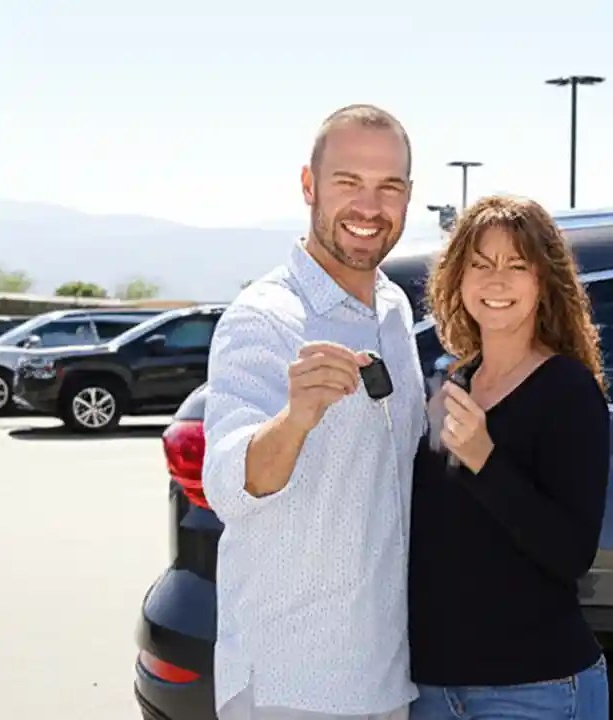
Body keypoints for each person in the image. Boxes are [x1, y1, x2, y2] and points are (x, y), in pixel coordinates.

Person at [202, 104, 425, 720]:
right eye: (348, 183)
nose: (369, 207)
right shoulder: (264, 317)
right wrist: (295, 419)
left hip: (385, 673)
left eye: (389, 187)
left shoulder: (394, 308)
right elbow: (228, 483)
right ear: (309, 186)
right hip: (293, 682)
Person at [407, 194, 612, 719]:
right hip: (432, 688)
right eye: (481, 265)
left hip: (533, 688)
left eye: (517, 266)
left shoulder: (568, 390)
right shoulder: (452, 385)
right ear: (458, 280)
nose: (496, 282)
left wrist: (486, 461)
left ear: (544, 283)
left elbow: (572, 553)